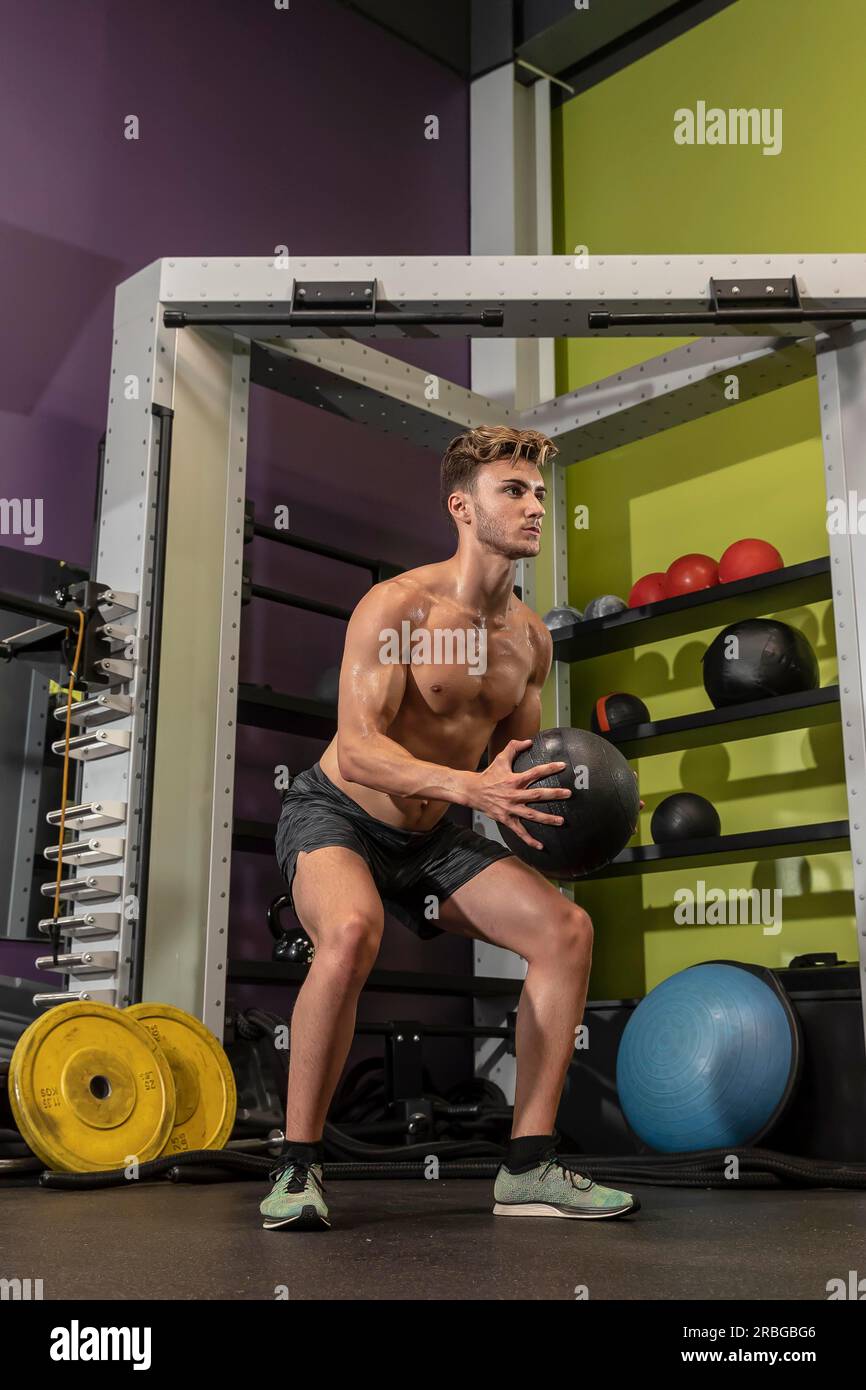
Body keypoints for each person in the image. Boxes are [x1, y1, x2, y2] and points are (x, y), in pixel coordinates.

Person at [261, 424, 641, 1230]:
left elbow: (515, 767)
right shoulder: (398, 607)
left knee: (566, 932)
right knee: (352, 931)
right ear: (463, 508)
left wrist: (566, 819)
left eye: (539, 493)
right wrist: (472, 787)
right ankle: (297, 1166)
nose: (535, 506)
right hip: (338, 815)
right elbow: (359, 751)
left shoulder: (531, 641)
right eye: (514, 491)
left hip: (433, 837)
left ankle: (528, 1166)